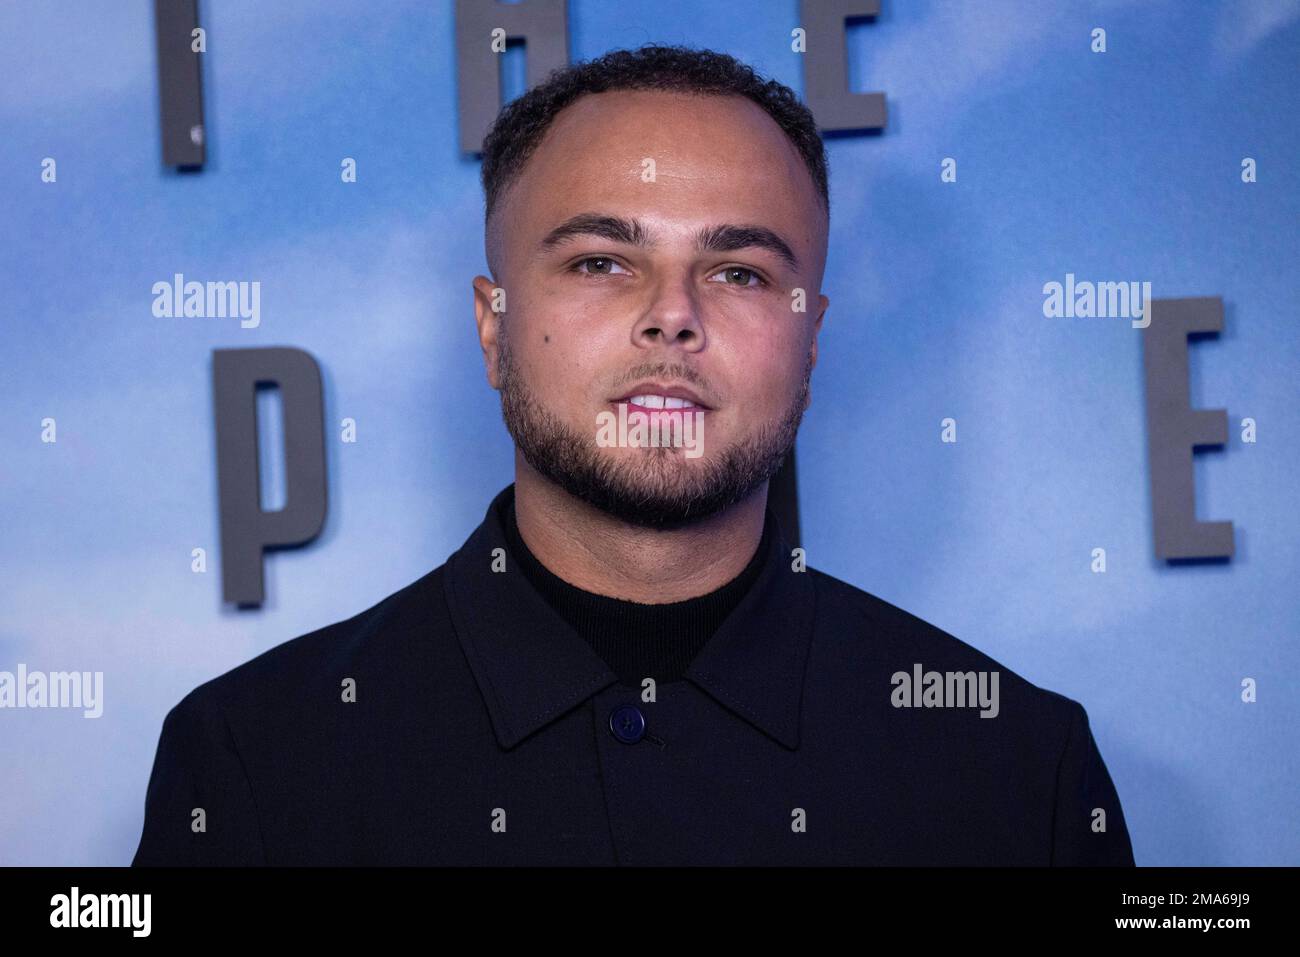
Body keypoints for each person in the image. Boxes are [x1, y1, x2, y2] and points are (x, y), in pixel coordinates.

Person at [133, 44, 1134, 866]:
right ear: (492, 327)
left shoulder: (1015, 767)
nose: (671, 318)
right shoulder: (255, 763)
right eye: (602, 262)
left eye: (738, 271)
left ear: (810, 340)